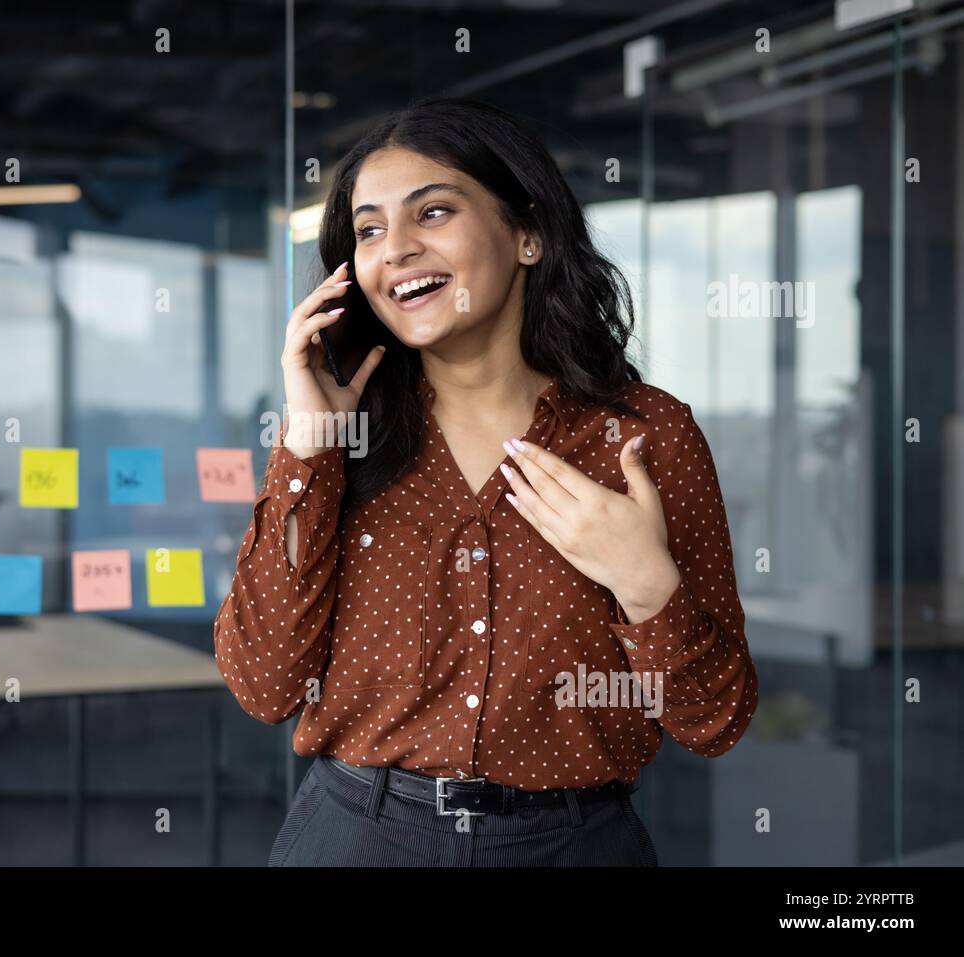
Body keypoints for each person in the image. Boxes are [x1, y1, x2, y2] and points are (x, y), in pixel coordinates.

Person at [214, 96, 758, 867]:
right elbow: (265, 683)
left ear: (527, 234)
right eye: (369, 229)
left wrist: (645, 585)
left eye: (431, 212)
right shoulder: (340, 430)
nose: (394, 248)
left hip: (575, 843)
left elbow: (717, 718)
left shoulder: (645, 436)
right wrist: (310, 442)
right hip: (358, 835)